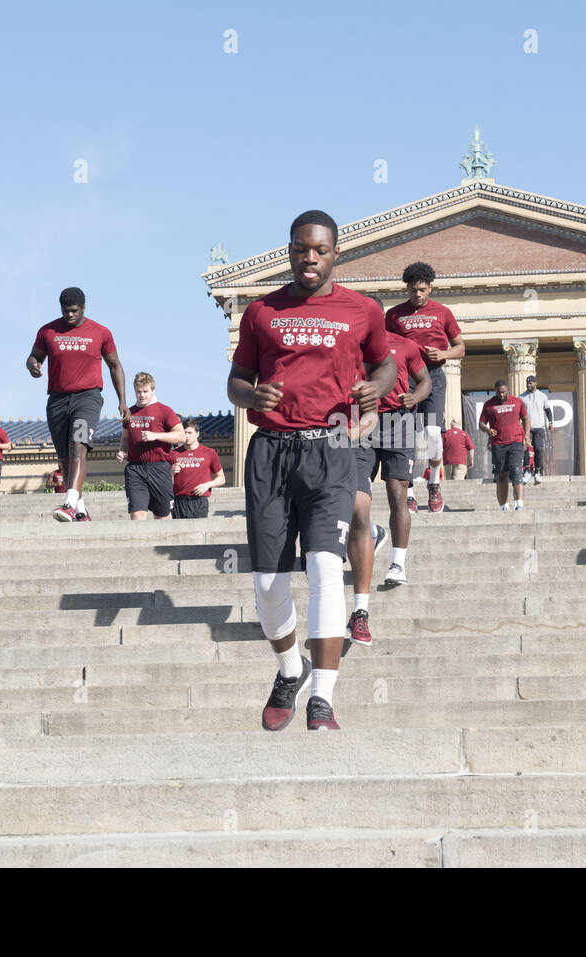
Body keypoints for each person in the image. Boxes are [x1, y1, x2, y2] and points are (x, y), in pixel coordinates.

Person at [227, 209, 395, 732]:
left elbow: (385, 364)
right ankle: (289, 668)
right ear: (290, 250)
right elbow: (234, 382)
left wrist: (377, 388)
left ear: (335, 253)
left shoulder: (364, 309)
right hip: (271, 453)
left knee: (325, 568)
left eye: (320, 250)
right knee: (270, 584)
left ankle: (322, 697)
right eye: (302, 249)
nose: (310, 258)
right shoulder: (261, 312)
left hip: (331, 452)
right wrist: (252, 394)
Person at [347, 316, 431, 645]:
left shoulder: (406, 345)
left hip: (398, 422)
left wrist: (416, 397)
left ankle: (397, 563)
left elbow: (425, 381)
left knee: (398, 495)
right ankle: (372, 533)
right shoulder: (353, 344)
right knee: (355, 499)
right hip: (363, 423)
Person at [26, 287, 128, 522]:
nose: (69, 315)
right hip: (57, 401)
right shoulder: (48, 331)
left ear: (83, 308)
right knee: (64, 458)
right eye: (65, 311)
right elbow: (34, 357)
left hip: (87, 398)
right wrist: (32, 366)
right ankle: (81, 510)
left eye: (73, 311)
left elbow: (115, 365)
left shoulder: (100, 332)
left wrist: (122, 401)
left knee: (78, 445)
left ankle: (69, 503)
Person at [385, 262, 465, 513]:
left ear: (430, 287)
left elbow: (461, 347)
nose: (417, 295)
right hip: (404, 377)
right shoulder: (395, 315)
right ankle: (408, 491)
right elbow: (384, 345)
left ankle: (434, 483)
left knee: (431, 434)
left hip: (433, 375)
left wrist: (443, 353)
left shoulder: (443, 312)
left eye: (421, 289)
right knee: (405, 435)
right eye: (412, 290)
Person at [117, 372, 184, 521]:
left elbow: (181, 436)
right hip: (135, 469)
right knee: (137, 515)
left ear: (153, 390)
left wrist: (156, 435)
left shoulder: (164, 410)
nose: (142, 395)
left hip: (159, 468)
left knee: (162, 516)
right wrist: (122, 450)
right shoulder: (130, 412)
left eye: (145, 391)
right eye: (138, 392)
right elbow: (125, 437)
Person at [478, 380, 530, 511]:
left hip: (516, 442)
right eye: (499, 393)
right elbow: (481, 423)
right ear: (495, 391)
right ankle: (504, 506)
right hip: (498, 444)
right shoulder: (488, 405)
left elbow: (526, 418)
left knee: (516, 472)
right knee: (501, 476)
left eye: (504, 392)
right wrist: (488, 430)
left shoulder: (517, 402)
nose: (502, 395)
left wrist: (527, 436)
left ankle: (519, 504)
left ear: (508, 390)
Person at [169, 418, 225, 518]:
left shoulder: (209, 453)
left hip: (200, 501)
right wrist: (171, 473)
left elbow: (221, 478)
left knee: (198, 532)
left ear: (197, 433)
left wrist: (207, 485)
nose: (187, 436)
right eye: (184, 433)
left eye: (190, 433)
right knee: (180, 534)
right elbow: (165, 482)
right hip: (179, 502)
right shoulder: (173, 454)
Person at [520, 375, 553, 485]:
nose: (528, 385)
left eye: (530, 383)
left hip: (539, 428)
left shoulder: (542, 396)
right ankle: (527, 471)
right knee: (525, 448)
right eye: (527, 383)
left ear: (535, 383)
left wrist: (551, 422)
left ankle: (537, 471)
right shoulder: (521, 397)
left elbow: (548, 410)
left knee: (538, 448)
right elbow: (518, 414)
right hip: (526, 428)